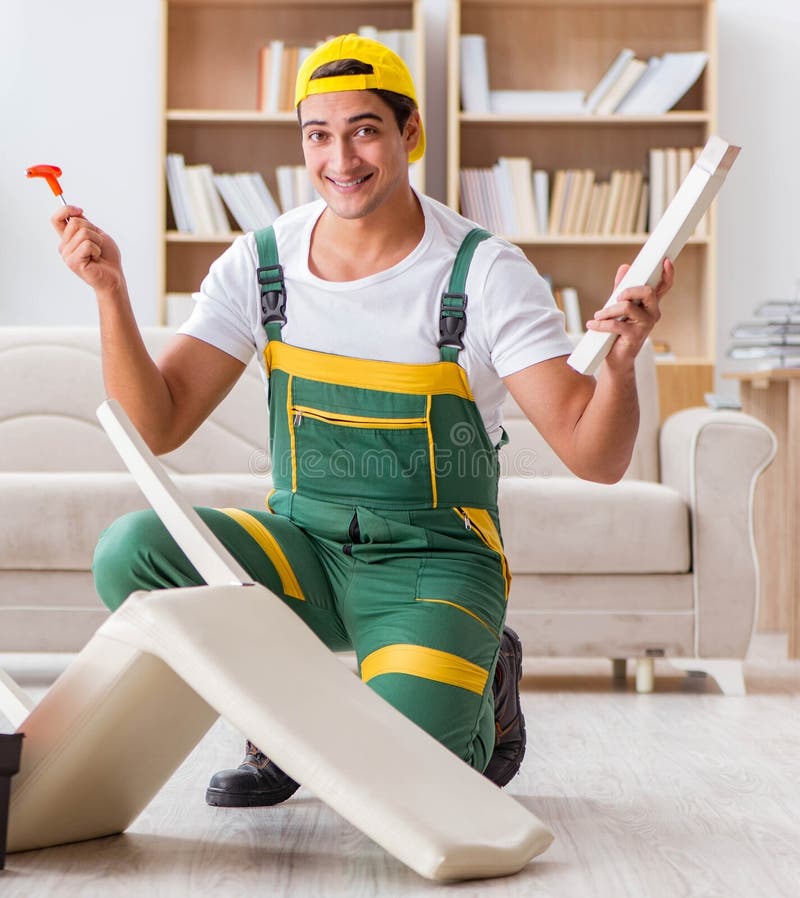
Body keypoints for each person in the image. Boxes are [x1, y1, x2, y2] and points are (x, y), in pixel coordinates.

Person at [51, 33, 673, 808]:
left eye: (365, 130)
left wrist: (616, 366)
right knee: (132, 552)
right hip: (303, 548)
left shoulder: (482, 272)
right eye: (319, 135)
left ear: (410, 133)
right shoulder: (262, 264)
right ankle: (279, 729)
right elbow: (161, 422)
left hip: (433, 562)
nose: (340, 159)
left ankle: (488, 692)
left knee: (407, 780)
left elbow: (595, 455)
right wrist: (111, 292)